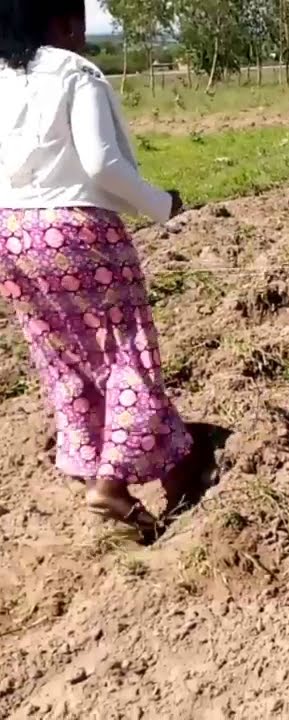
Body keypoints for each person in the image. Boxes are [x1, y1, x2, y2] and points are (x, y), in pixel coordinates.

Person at [0, 0, 196, 539]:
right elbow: (102, 163)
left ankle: (104, 467)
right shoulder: (74, 73)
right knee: (125, 350)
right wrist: (162, 204)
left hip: (11, 232)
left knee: (63, 355)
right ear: (64, 22)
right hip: (77, 231)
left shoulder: (5, 75)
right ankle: (112, 483)